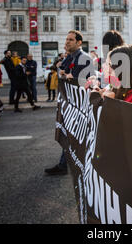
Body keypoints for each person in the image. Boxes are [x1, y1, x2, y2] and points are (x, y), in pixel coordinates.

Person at [45, 30, 95, 176]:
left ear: (79, 42)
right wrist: (64, 73)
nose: (67, 42)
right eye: (66, 39)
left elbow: (79, 80)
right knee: (70, 134)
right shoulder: (70, 57)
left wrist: (66, 75)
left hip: (80, 104)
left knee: (77, 135)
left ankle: (86, 167)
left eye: (71, 40)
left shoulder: (84, 57)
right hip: (71, 103)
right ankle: (64, 164)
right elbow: (62, 70)